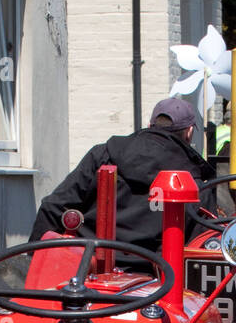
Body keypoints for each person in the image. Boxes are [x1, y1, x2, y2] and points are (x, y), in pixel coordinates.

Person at [29, 97, 214, 257]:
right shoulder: (194, 182)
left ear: (150, 126)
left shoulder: (103, 155)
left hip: (88, 269)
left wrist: (31, 267)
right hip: (157, 278)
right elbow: (201, 243)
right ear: (189, 133)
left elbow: (54, 207)